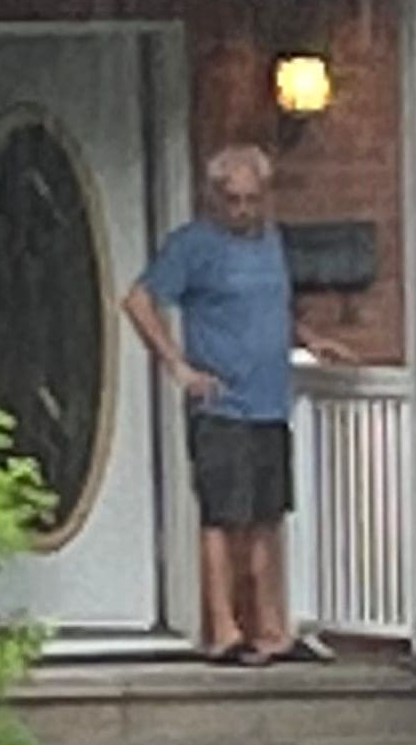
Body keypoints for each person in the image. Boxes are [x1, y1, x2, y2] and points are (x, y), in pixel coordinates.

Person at [120, 144, 333, 664]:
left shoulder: (273, 243)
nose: (242, 209)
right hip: (221, 406)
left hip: (269, 403)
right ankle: (223, 629)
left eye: (252, 199)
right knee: (223, 517)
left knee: (268, 516)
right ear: (214, 196)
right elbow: (138, 300)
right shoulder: (193, 246)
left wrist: (306, 337)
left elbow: (270, 307)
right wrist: (177, 366)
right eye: (232, 199)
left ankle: (272, 630)